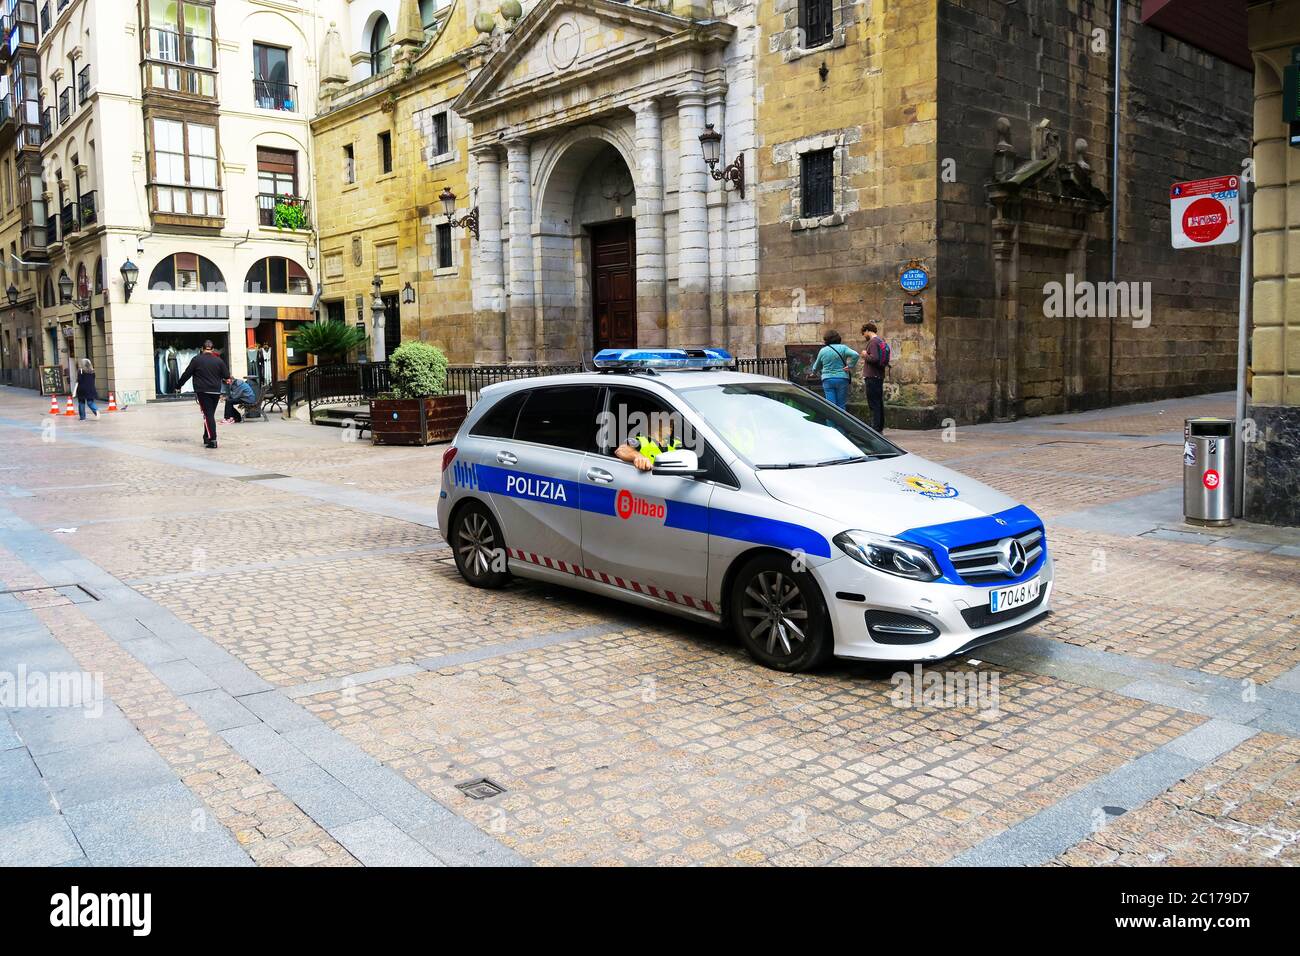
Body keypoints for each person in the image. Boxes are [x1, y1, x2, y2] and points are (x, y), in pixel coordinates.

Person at [176, 340, 231, 449]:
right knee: (209, 414)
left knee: (208, 415)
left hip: (203, 391)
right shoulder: (218, 361)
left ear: (202, 349)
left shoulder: (196, 360)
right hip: (215, 391)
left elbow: (187, 374)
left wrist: (178, 385)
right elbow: (226, 375)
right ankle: (206, 436)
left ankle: (213, 440)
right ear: (213, 349)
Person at [615, 415, 681, 472]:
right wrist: (637, 456)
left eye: (672, 422)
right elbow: (621, 450)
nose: (672, 423)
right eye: (668, 421)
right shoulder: (641, 440)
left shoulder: (675, 443)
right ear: (654, 422)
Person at [812, 330, 857, 410]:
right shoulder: (843, 348)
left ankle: (831, 422)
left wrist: (813, 373)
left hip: (828, 379)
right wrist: (850, 365)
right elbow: (855, 355)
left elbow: (816, 366)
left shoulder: (823, 351)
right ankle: (842, 422)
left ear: (826, 339)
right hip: (842, 378)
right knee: (841, 405)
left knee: (831, 406)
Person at [860, 322, 889, 432]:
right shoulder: (880, 341)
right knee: (878, 402)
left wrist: (864, 355)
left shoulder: (873, 342)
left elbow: (875, 358)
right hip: (879, 375)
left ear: (867, 331)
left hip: (872, 376)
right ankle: (879, 427)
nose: (864, 336)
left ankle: (875, 429)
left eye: (864, 333)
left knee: (873, 403)